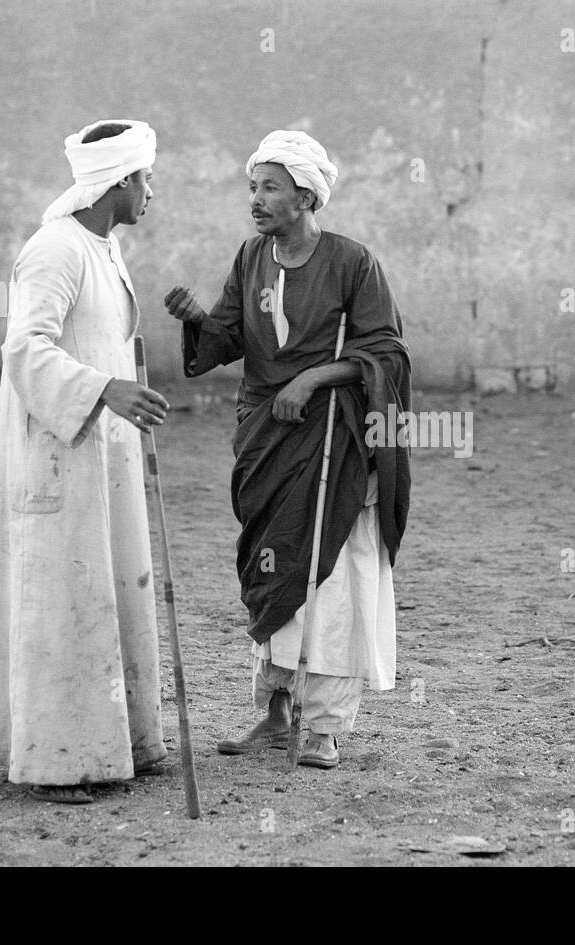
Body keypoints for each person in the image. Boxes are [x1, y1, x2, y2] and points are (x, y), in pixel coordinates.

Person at [165, 130, 411, 769]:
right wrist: (196, 320)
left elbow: (384, 351)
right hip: (266, 440)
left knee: (326, 579)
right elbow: (225, 338)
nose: (256, 199)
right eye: (253, 187)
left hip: (331, 444)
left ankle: (326, 726)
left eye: (270, 187)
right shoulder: (251, 259)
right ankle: (275, 713)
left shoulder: (353, 263)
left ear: (304, 195)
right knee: (272, 568)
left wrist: (310, 379)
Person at [0, 120, 171, 804]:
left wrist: (121, 390)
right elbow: (25, 350)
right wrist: (104, 388)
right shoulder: (55, 250)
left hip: (102, 453)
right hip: (58, 453)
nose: (151, 190)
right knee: (63, 601)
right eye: (145, 177)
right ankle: (58, 762)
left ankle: (125, 744)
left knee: (110, 590)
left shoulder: (104, 249)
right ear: (119, 182)